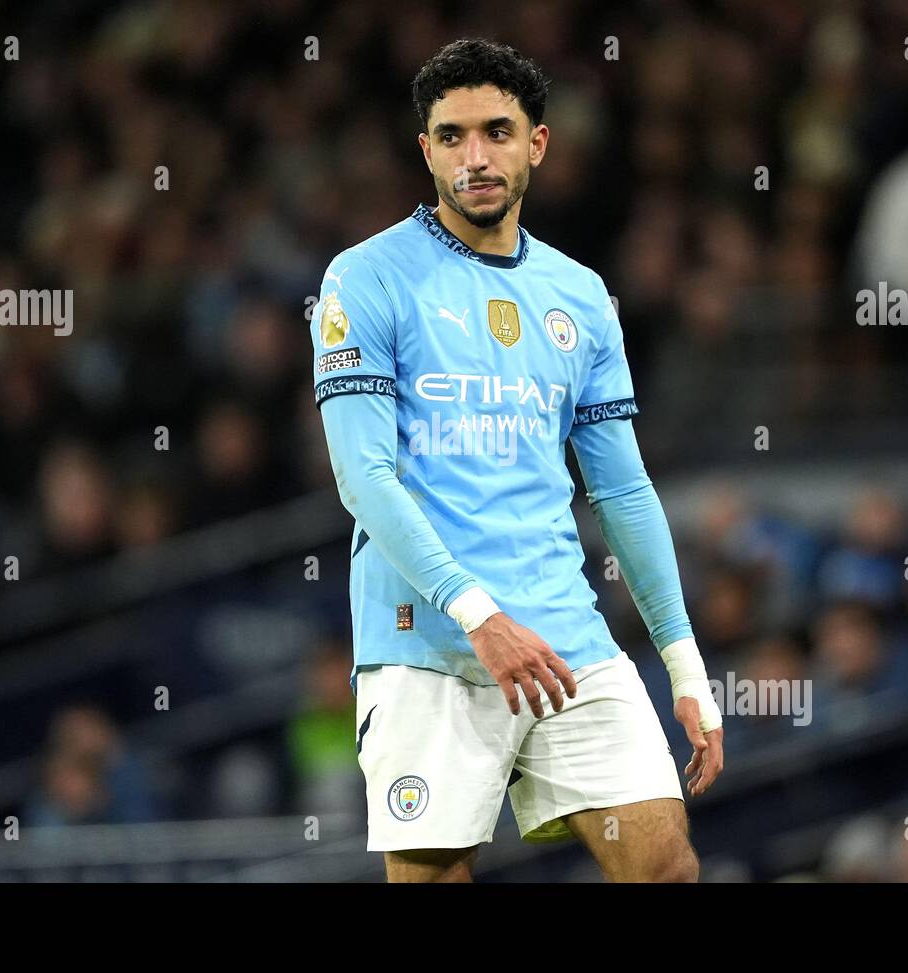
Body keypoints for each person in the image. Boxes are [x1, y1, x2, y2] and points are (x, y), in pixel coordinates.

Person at [310, 38, 723, 883]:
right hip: (425, 640)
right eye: (452, 136)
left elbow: (622, 488)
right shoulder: (366, 279)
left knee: (666, 868)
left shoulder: (579, 296)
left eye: (496, 131)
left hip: (566, 635)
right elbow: (364, 477)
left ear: (537, 142)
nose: (475, 156)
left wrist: (683, 662)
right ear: (425, 150)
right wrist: (479, 616)